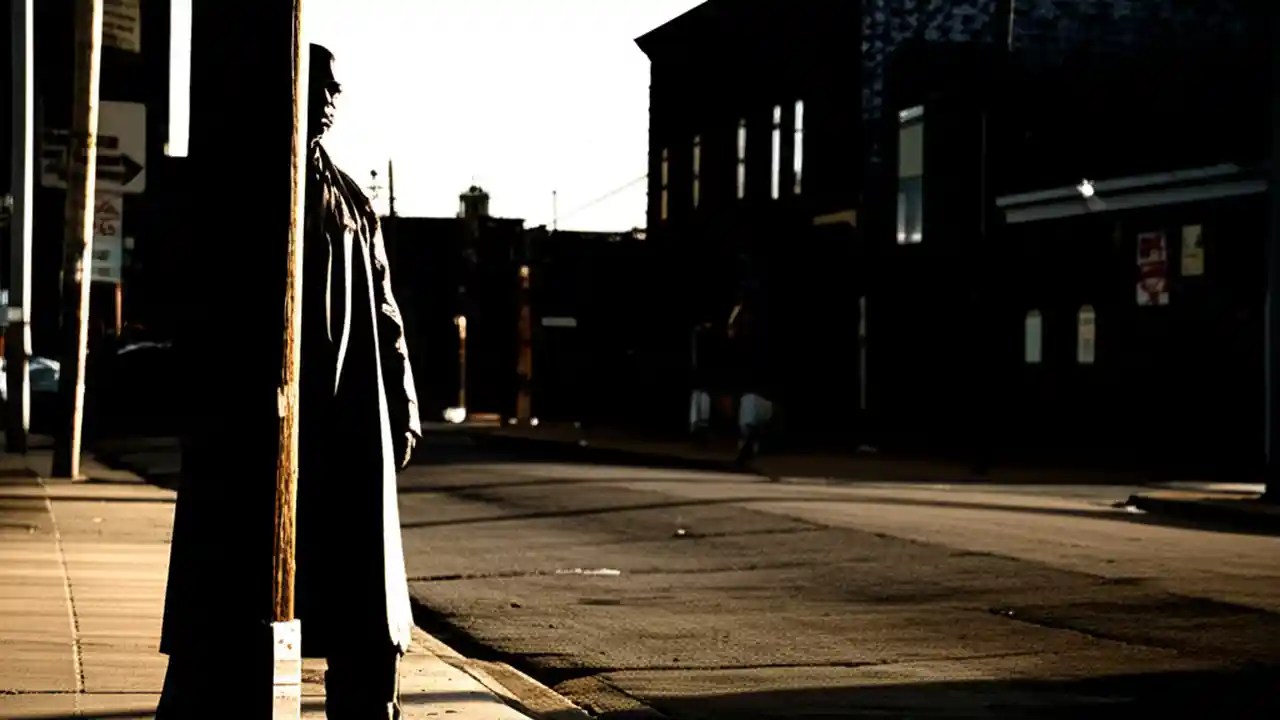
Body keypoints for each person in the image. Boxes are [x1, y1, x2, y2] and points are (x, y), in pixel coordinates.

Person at [156, 44, 422, 719]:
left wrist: (403, 403)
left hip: (343, 428)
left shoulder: (351, 200)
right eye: (321, 85)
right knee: (238, 610)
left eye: (337, 88)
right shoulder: (240, 183)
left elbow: (386, 313)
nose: (332, 98)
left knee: (360, 616)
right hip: (259, 434)